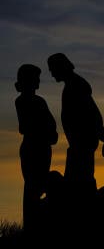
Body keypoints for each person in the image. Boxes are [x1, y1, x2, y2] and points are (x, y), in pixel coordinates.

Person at [46, 53, 104, 204]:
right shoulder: (73, 85)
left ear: (61, 67)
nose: (52, 74)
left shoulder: (76, 86)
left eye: (52, 69)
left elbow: (91, 114)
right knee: (79, 181)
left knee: (80, 183)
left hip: (82, 143)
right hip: (79, 143)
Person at [14, 63, 58, 232]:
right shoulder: (22, 101)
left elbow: (50, 122)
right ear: (29, 80)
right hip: (33, 149)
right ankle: (31, 227)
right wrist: (46, 131)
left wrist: (49, 132)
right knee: (33, 188)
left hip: (42, 147)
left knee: (37, 187)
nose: (39, 81)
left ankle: (38, 225)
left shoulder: (39, 101)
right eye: (36, 78)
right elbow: (25, 127)